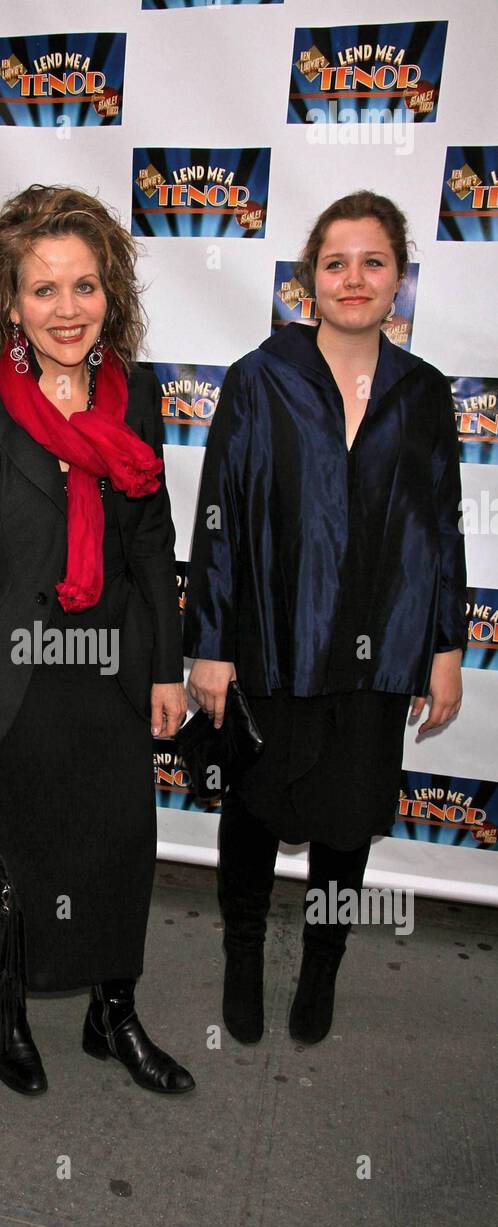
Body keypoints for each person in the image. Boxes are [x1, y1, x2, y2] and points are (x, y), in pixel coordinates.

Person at [0, 184, 195, 1097]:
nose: (66, 310)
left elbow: (153, 544)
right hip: (15, 683)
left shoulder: (136, 398)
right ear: (10, 302)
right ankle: (5, 1014)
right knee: (19, 865)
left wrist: (165, 667)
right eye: (44, 290)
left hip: (110, 676)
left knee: (117, 855)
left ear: (111, 293)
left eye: (84, 287)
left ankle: (112, 1015)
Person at [184, 190, 467, 1047]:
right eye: (336, 262)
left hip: (376, 660)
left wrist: (446, 646)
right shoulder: (259, 378)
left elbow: (441, 526)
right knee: (254, 814)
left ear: (398, 280)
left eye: (373, 261)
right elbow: (218, 517)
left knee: (348, 827)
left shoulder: (423, 395)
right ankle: (241, 957)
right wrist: (211, 647)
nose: (354, 278)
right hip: (272, 648)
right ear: (309, 279)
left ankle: (322, 966)